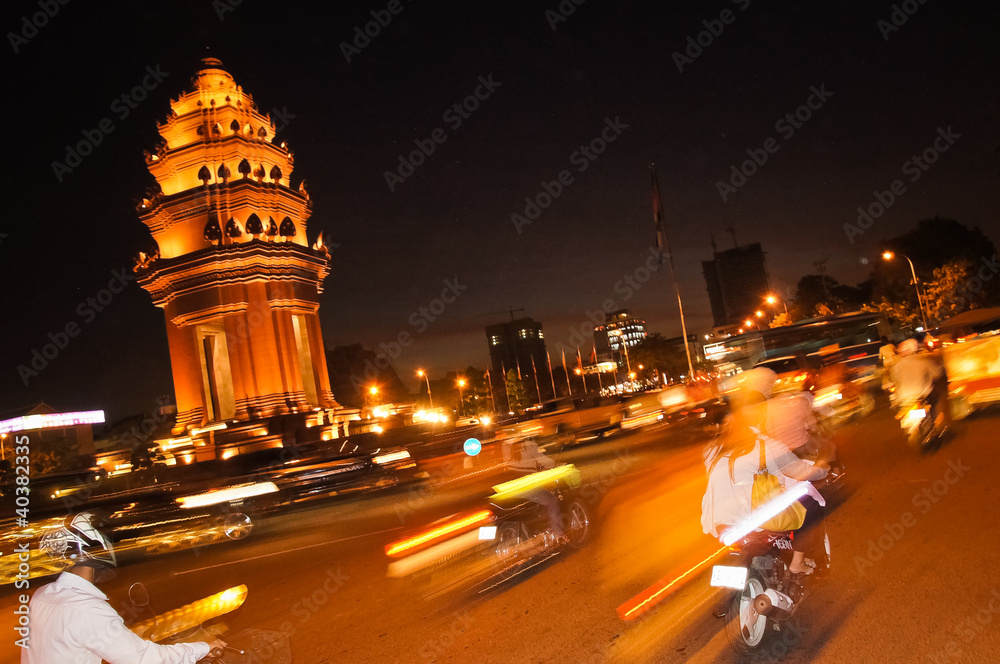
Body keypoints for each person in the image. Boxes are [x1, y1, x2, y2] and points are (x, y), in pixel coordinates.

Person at [22, 511, 226, 664]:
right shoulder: (86, 609)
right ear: (92, 545)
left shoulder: (42, 596)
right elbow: (143, 659)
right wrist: (201, 648)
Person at [702, 369, 829, 575]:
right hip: (750, 520)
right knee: (813, 505)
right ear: (761, 415)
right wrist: (822, 471)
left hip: (716, 522)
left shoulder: (711, 449)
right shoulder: (767, 445)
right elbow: (801, 472)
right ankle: (797, 562)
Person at [500, 433, 566, 544]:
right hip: (527, 486)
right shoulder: (529, 445)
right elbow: (545, 462)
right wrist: (557, 464)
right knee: (552, 502)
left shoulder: (505, 445)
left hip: (510, 486)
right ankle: (558, 534)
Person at [891, 338, 948, 424]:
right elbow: (936, 374)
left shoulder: (896, 366)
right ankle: (935, 417)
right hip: (921, 394)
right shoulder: (922, 361)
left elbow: (894, 380)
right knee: (935, 394)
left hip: (904, 398)